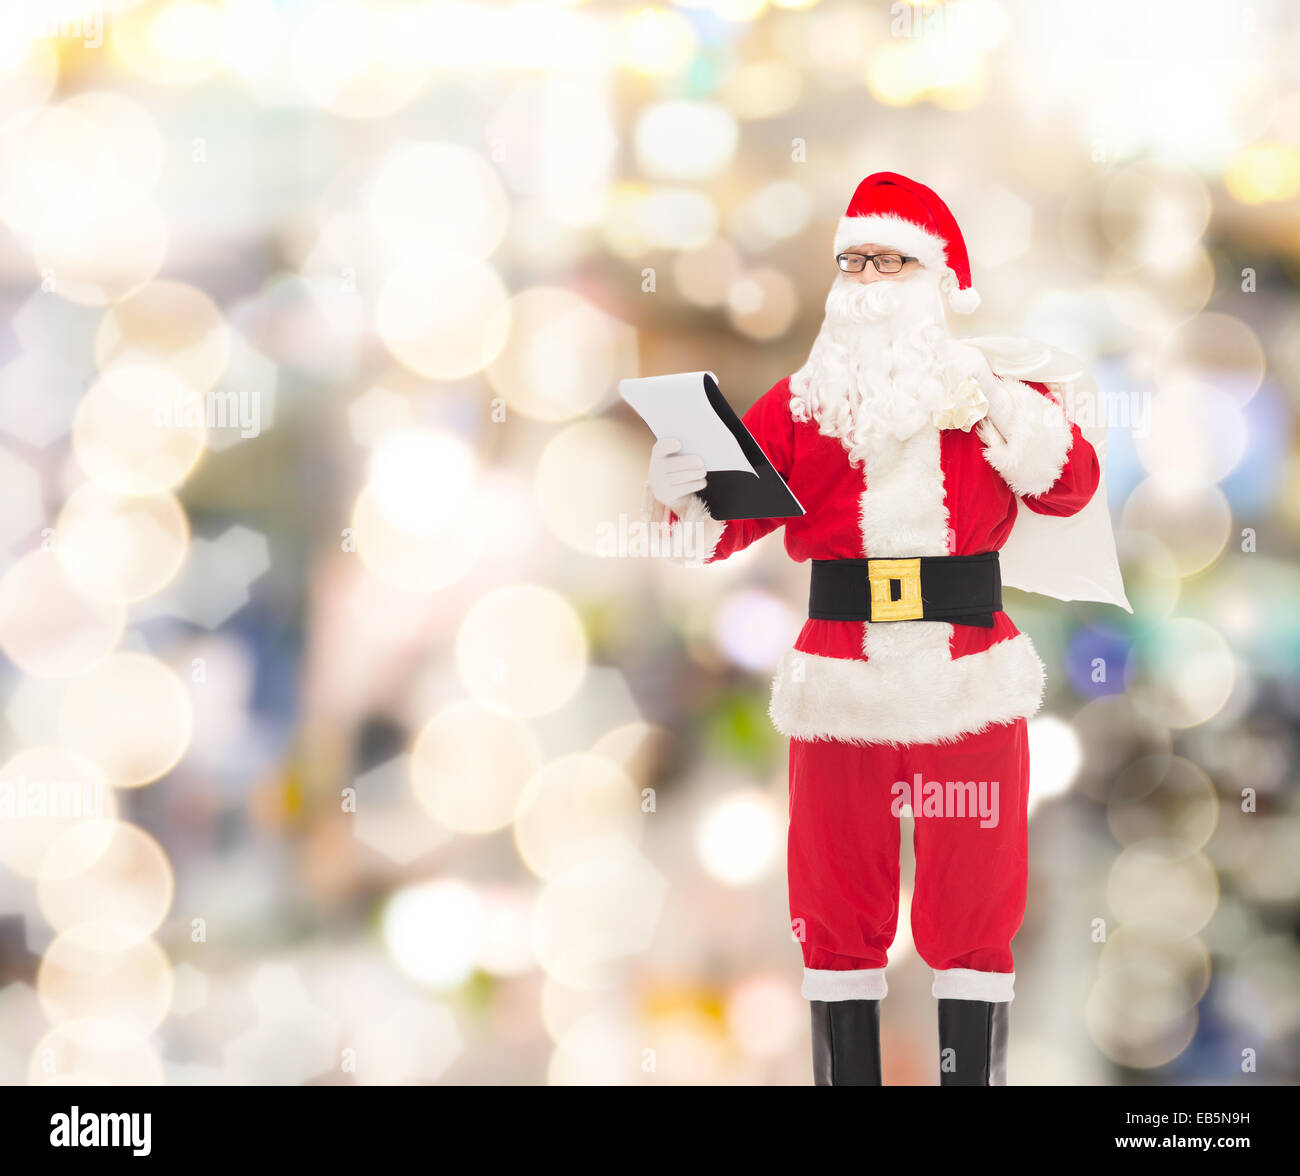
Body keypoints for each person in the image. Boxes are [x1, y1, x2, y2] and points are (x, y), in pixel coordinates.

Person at [647, 172, 1102, 1085]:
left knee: (974, 907)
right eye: (853, 262)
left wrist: (1002, 404)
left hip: (967, 673)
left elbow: (1070, 483)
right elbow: (721, 530)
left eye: (889, 261)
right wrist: (683, 492)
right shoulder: (804, 406)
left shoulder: (993, 400)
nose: (867, 279)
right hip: (839, 687)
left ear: (938, 280)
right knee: (832, 902)